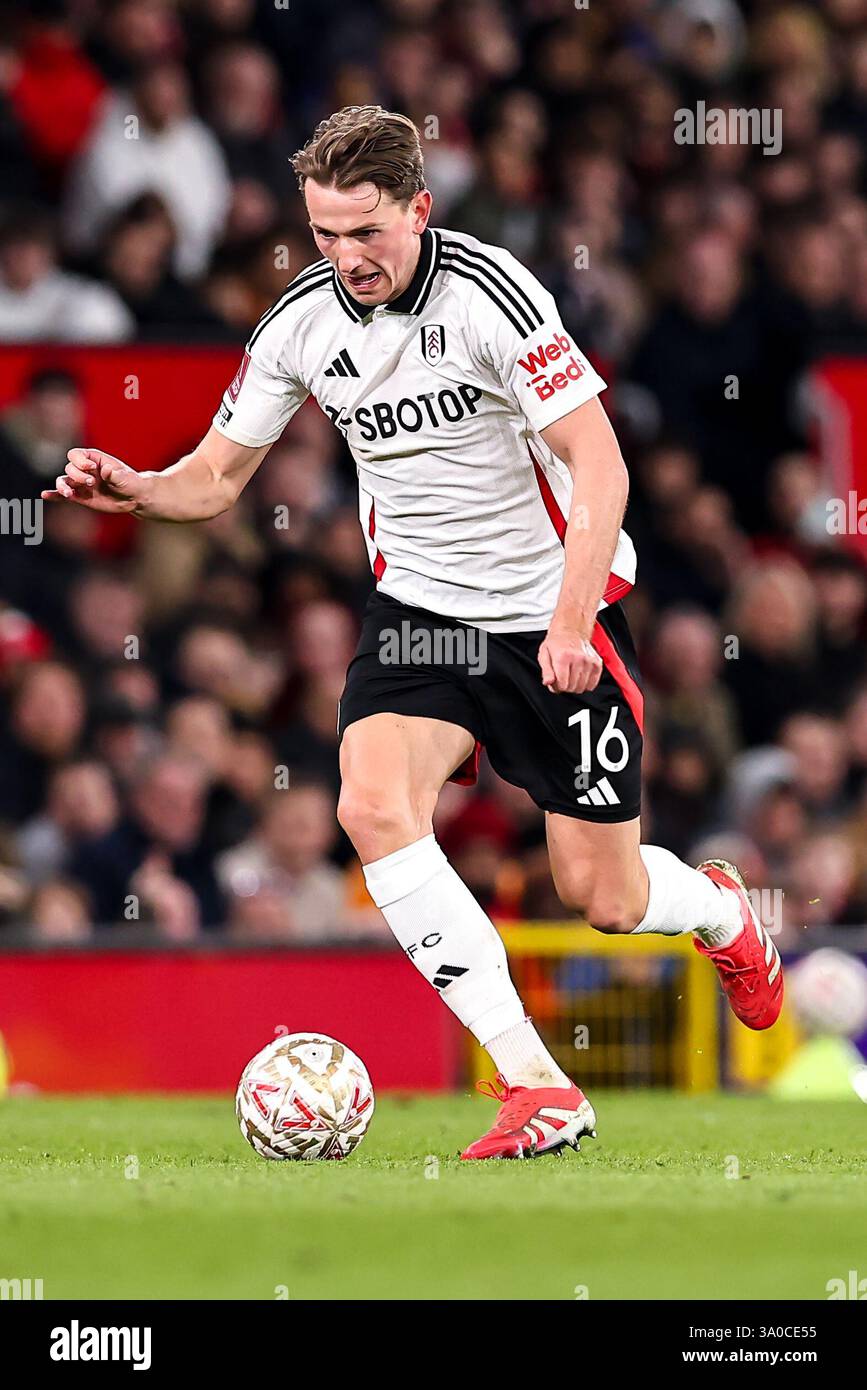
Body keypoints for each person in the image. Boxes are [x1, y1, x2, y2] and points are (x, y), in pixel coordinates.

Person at [43, 105, 784, 1161]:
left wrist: (574, 622)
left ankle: (718, 911)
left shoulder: (495, 294)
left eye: (366, 232)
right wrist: (135, 487)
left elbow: (603, 464)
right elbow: (213, 478)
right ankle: (533, 1081)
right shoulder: (302, 320)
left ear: (418, 209)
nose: (345, 258)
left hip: (544, 616)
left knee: (604, 897)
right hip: (421, 616)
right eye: (324, 233)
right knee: (372, 804)